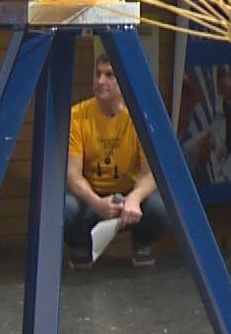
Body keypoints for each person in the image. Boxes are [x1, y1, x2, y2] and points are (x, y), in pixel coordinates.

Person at [66, 53, 167, 268]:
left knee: (160, 206)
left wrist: (134, 198)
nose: (100, 81)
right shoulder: (77, 116)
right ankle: (80, 248)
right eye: (98, 74)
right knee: (66, 207)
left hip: (128, 198)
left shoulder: (140, 116)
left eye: (109, 75)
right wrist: (96, 203)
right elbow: (72, 176)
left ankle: (142, 244)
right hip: (92, 198)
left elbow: (152, 173)